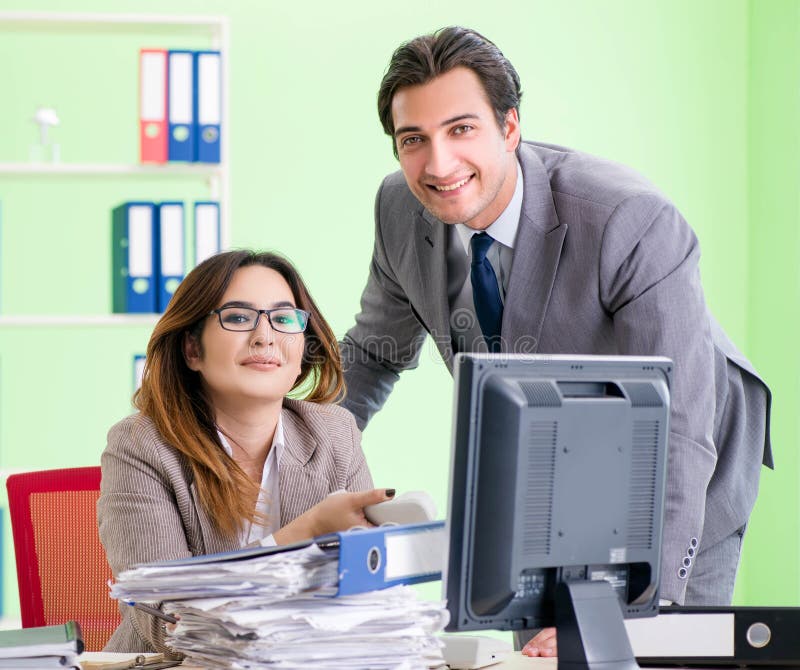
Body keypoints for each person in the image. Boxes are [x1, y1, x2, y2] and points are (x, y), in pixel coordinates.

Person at [340, 26, 772, 656]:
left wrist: (637, 612)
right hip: (543, 448)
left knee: (642, 651)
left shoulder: (631, 221)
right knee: (541, 650)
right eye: (414, 140)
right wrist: (282, 464)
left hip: (686, 455)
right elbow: (371, 358)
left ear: (509, 128)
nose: (437, 164)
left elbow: (678, 430)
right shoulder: (400, 211)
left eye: (461, 129)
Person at [99, 250, 392, 654]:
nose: (265, 336)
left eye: (284, 318)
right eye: (238, 317)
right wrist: (304, 533)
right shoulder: (141, 446)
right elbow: (167, 623)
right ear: (192, 350)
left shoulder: (334, 434)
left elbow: (366, 598)